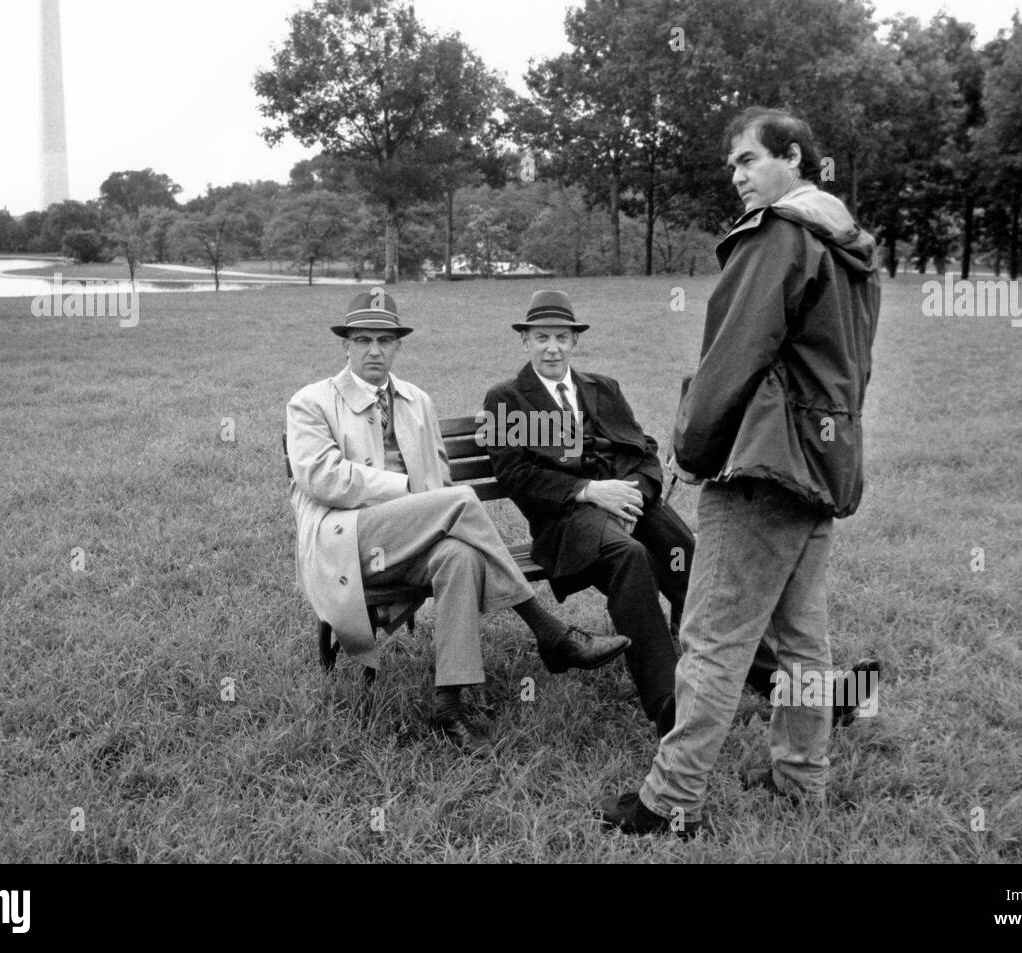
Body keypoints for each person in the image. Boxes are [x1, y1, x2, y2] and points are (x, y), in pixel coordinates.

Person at [600, 106, 881, 836]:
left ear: (793, 156)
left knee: (714, 638)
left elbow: (733, 355)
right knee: (802, 636)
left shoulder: (782, 234)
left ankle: (669, 802)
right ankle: (800, 775)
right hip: (824, 462)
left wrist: (691, 450)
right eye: (733, 165)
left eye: (748, 160)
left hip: (761, 465)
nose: (736, 176)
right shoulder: (849, 247)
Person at [286, 291, 630, 756]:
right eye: (363, 340)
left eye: (385, 341)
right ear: (345, 346)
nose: (374, 351)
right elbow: (323, 479)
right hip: (348, 540)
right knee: (462, 499)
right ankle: (549, 631)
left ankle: (448, 705)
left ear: (398, 347)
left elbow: (441, 478)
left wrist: (428, 505)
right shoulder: (311, 402)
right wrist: (408, 490)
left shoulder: (415, 401)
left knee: (460, 555)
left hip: (414, 537)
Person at [482, 291, 692, 737]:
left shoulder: (603, 388)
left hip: (626, 502)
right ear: (525, 342)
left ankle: (779, 682)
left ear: (574, 341)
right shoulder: (506, 399)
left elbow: (644, 451)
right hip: (565, 523)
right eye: (542, 338)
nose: (552, 347)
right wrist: (589, 490)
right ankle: (669, 705)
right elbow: (516, 476)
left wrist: (630, 495)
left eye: (561, 337)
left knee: (688, 556)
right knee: (630, 557)